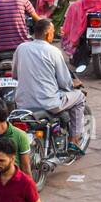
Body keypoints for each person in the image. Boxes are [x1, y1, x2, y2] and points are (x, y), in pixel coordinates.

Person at [13, 18, 86, 147]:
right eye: (53, 31)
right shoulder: (53, 51)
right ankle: (74, 140)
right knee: (79, 97)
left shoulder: (21, 48)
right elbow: (64, 82)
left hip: (22, 102)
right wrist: (73, 84)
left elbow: (15, 75)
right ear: (48, 34)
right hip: (49, 103)